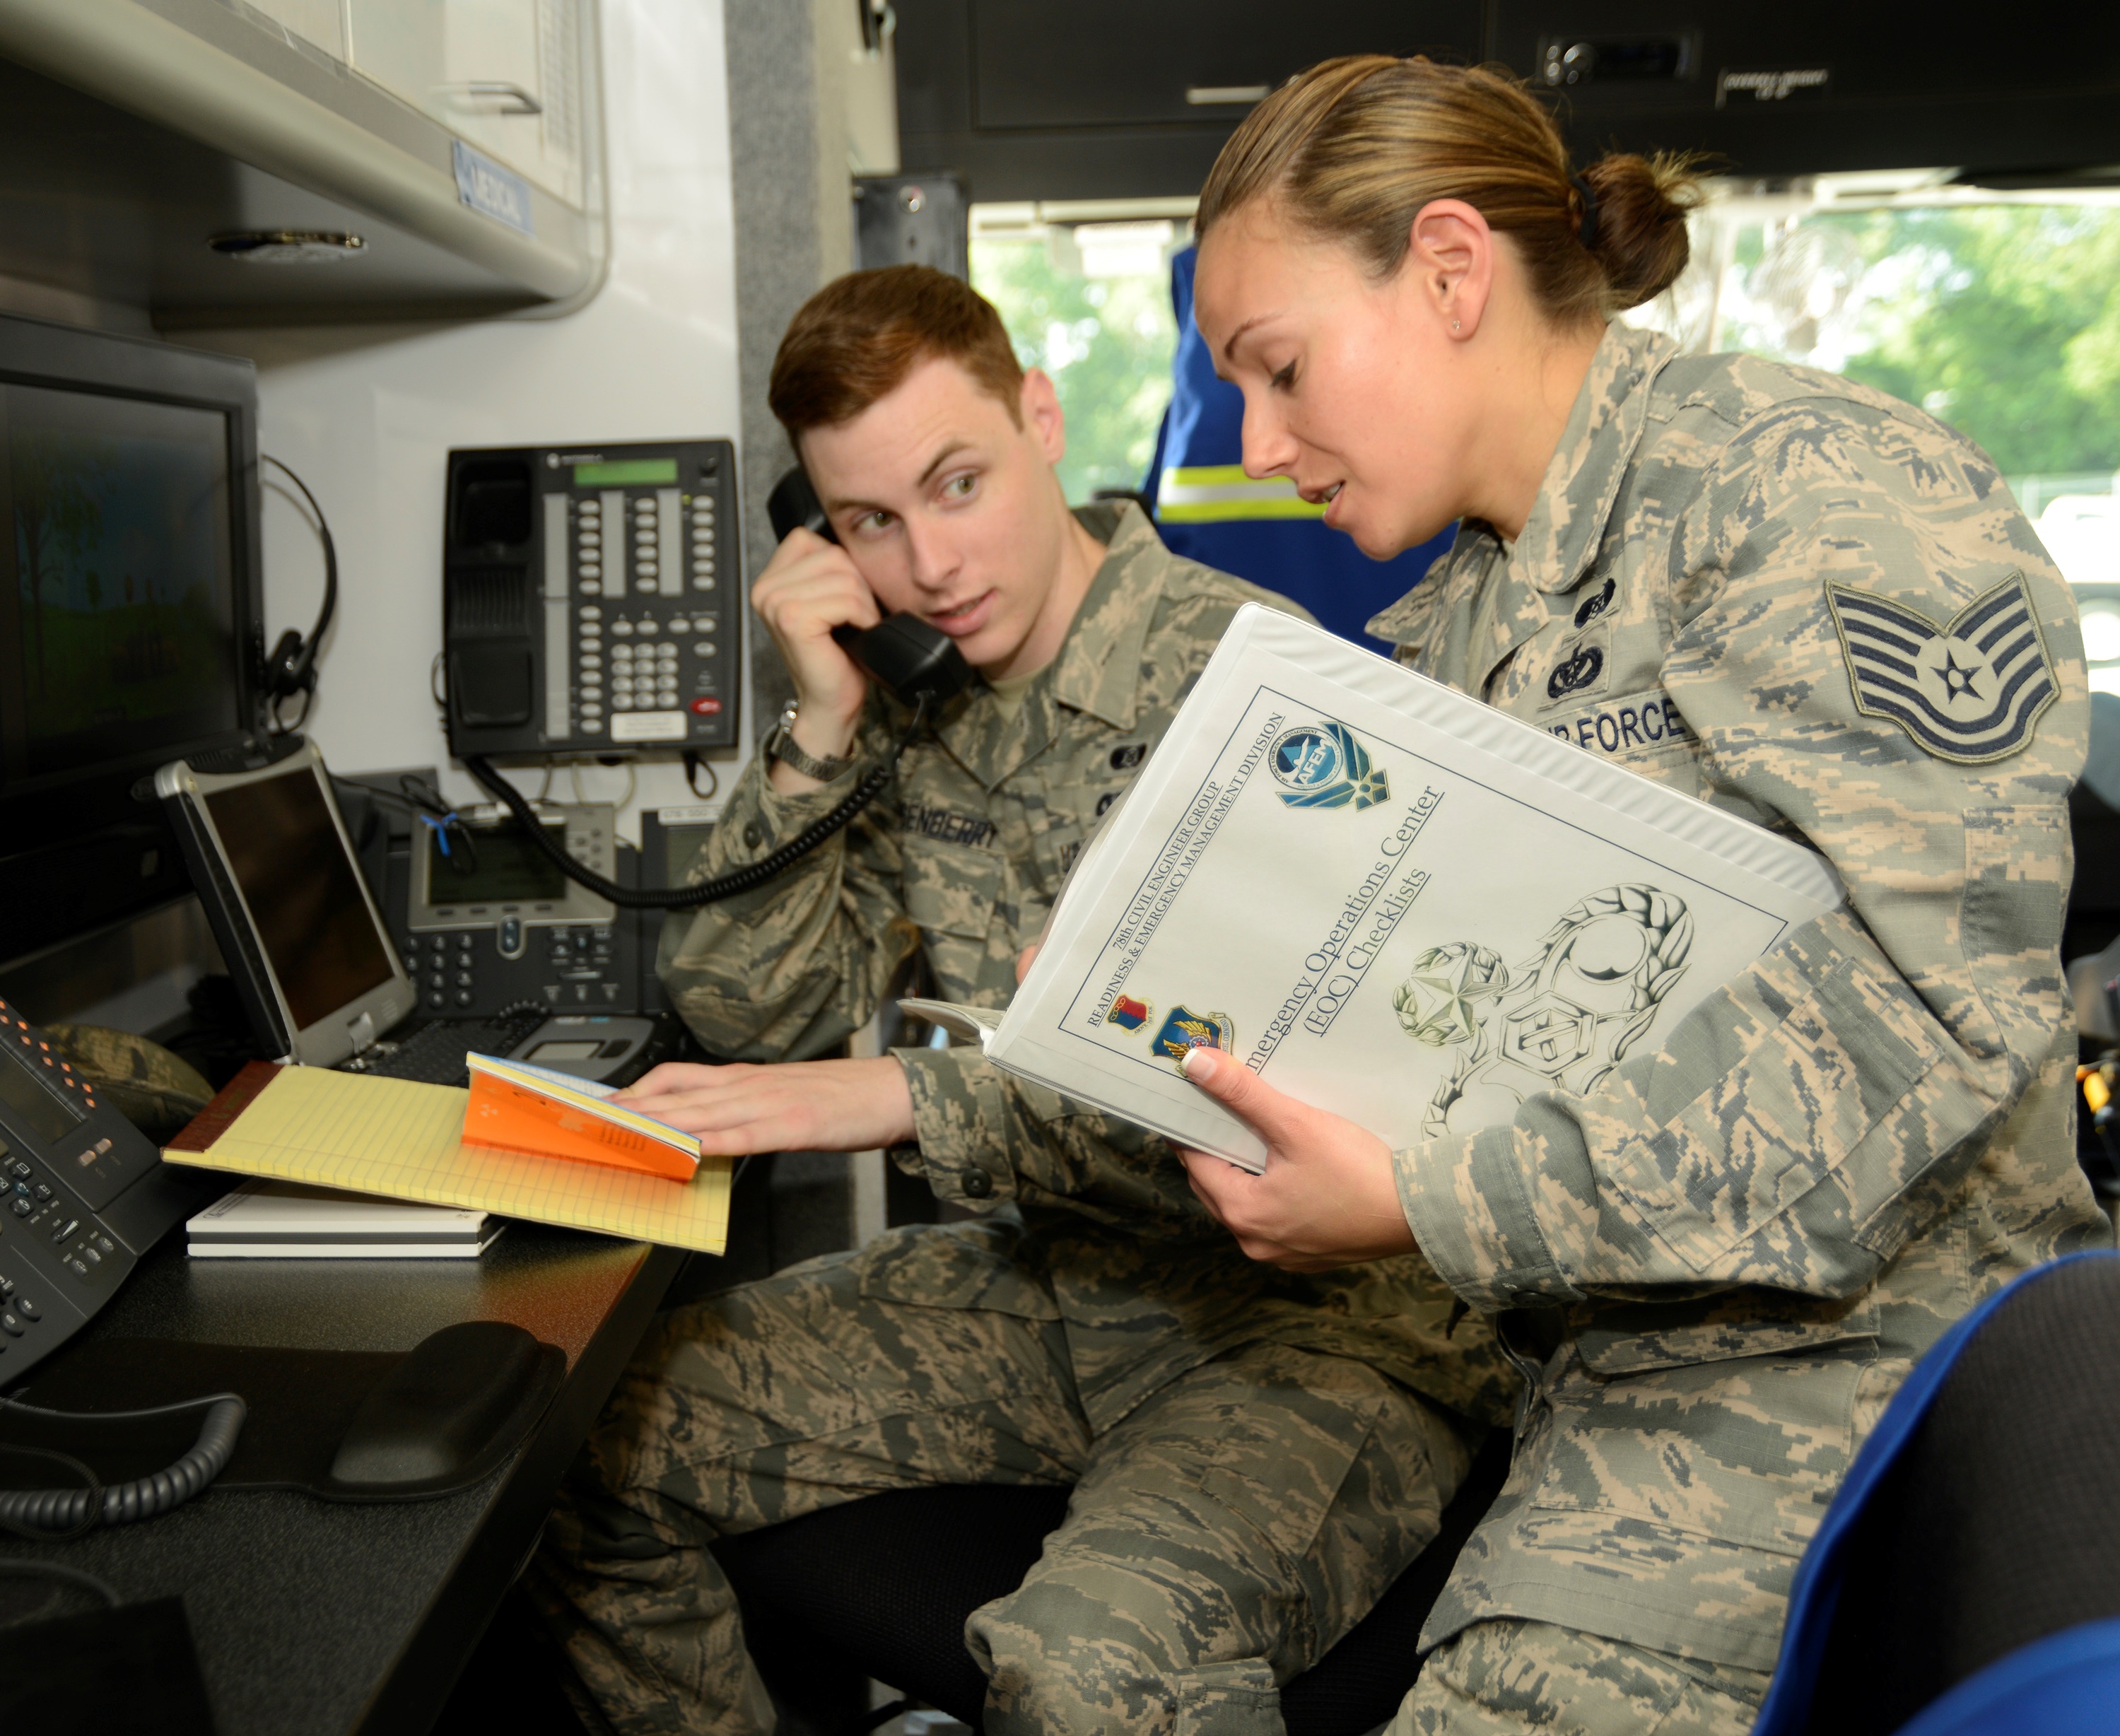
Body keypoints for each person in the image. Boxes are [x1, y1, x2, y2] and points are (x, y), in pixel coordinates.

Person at [1165, 54, 2114, 1736]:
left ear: (1452, 270)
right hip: (1603, 1353)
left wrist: (1425, 1202)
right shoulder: (1458, 613)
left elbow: (1916, 1022)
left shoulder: (1806, 494)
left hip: (1844, 1368)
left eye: (1280, 366)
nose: (1255, 442)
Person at [530, 264, 1519, 1736]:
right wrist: (816, 719)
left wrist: (894, 1097)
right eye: (870, 521)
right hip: (1053, 1288)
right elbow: (752, 1012)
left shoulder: (1259, 687)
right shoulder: (909, 706)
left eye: (958, 483)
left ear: (1039, 420)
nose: (929, 562)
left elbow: (1245, 1099)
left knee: (1085, 1674)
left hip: (1310, 1327)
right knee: (583, 1441)